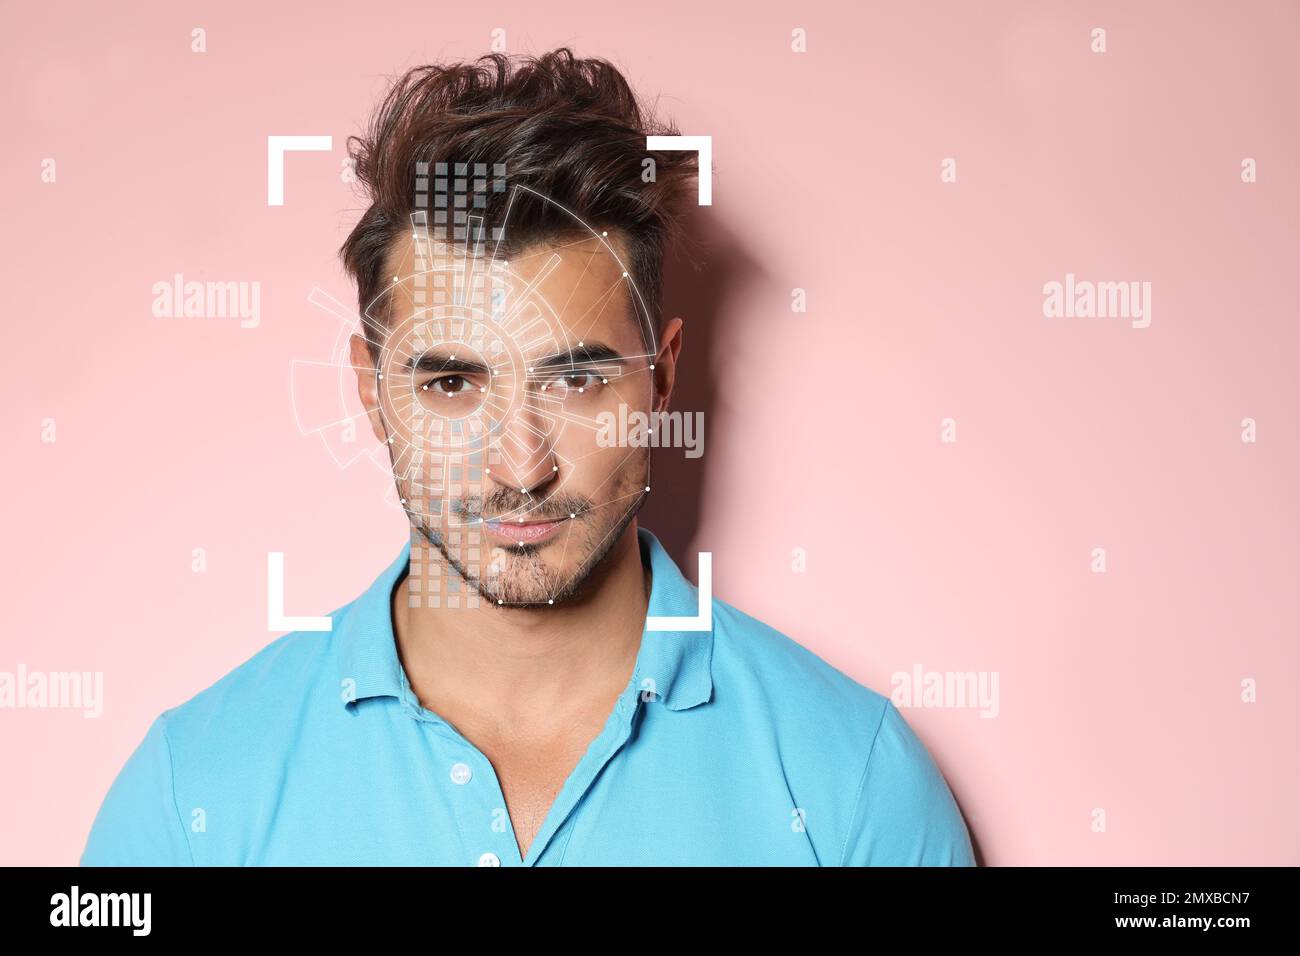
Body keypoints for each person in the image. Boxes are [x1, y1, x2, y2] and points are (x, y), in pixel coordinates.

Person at [81, 48, 975, 866]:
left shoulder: (852, 786)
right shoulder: (192, 794)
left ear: (661, 378)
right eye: (451, 384)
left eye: (579, 379)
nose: (519, 466)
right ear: (369, 386)